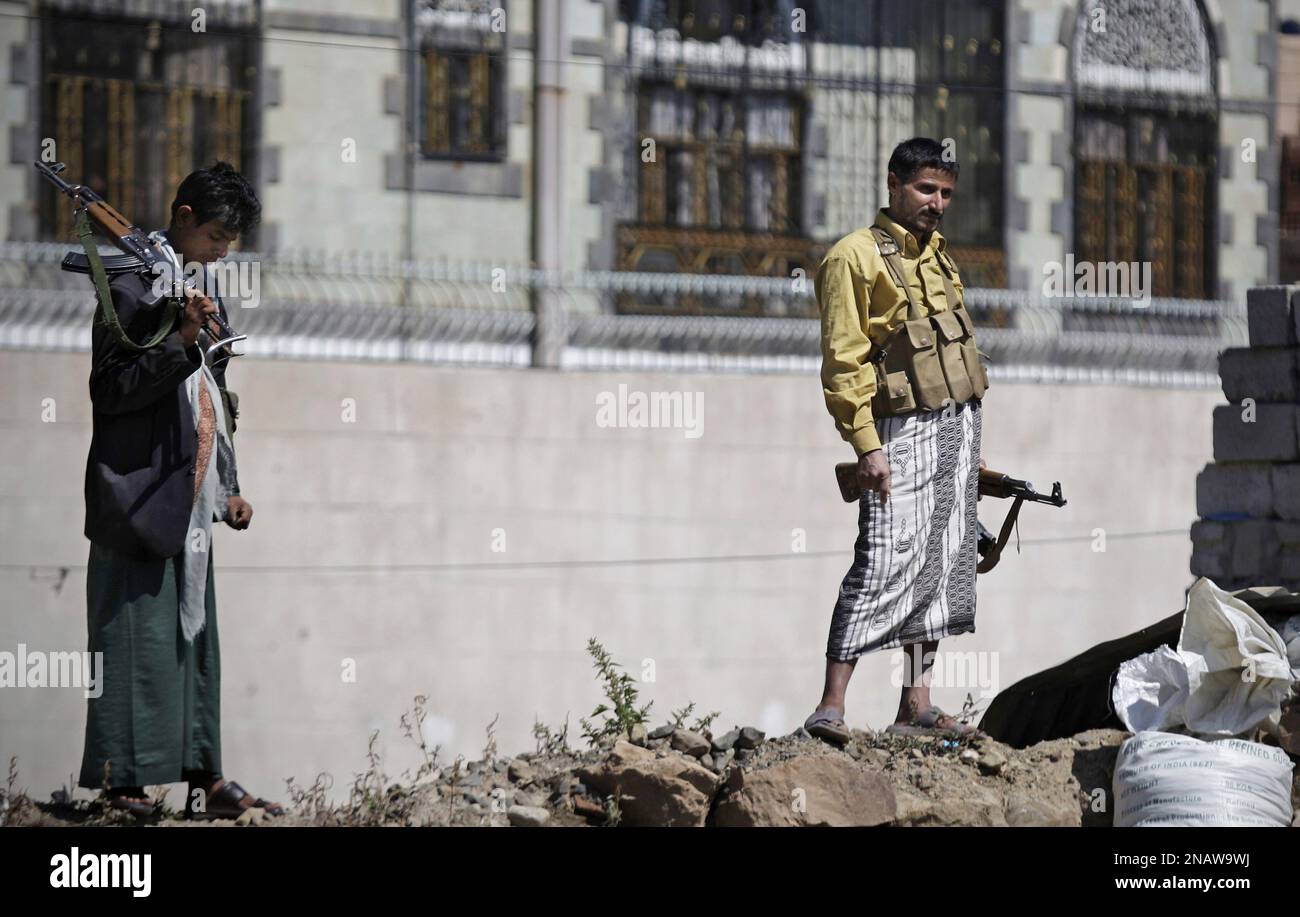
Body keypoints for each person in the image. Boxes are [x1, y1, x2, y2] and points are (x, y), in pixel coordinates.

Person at [78, 161, 281, 818]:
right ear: (186, 218)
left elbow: (213, 397)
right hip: (135, 495)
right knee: (130, 641)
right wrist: (182, 340)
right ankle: (121, 782)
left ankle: (207, 777)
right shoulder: (130, 284)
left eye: (231, 243)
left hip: (189, 500)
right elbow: (110, 389)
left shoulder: (199, 288)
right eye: (216, 235)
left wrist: (229, 487)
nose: (222, 251)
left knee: (194, 649)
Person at [804, 137, 989, 744]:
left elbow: (954, 349)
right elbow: (844, 359)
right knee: (883, 559)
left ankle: (916, 702)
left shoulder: (941, 258)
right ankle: (831, 704)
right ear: (893, 184)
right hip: (896, 429)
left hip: (954, 427)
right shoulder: (852, 257)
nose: (936, 203)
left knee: (942, 564)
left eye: (945, 194)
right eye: (925, 189)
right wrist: (866, 445)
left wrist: (971, 450)